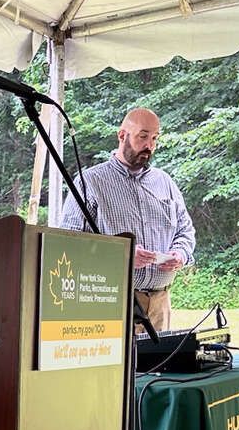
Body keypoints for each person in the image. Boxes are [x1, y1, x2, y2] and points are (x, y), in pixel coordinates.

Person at [59, 107, 195, 331]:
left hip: (161, 304)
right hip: (111, 302)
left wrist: (180, 254)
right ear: (122, 136)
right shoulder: (90, 182)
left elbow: (185, 231)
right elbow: (70, 244)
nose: (149, 145)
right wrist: (121, 257)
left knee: (161, 366)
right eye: (143, 136)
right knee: (119, 368)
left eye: (154, 138)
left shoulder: (165, 183)